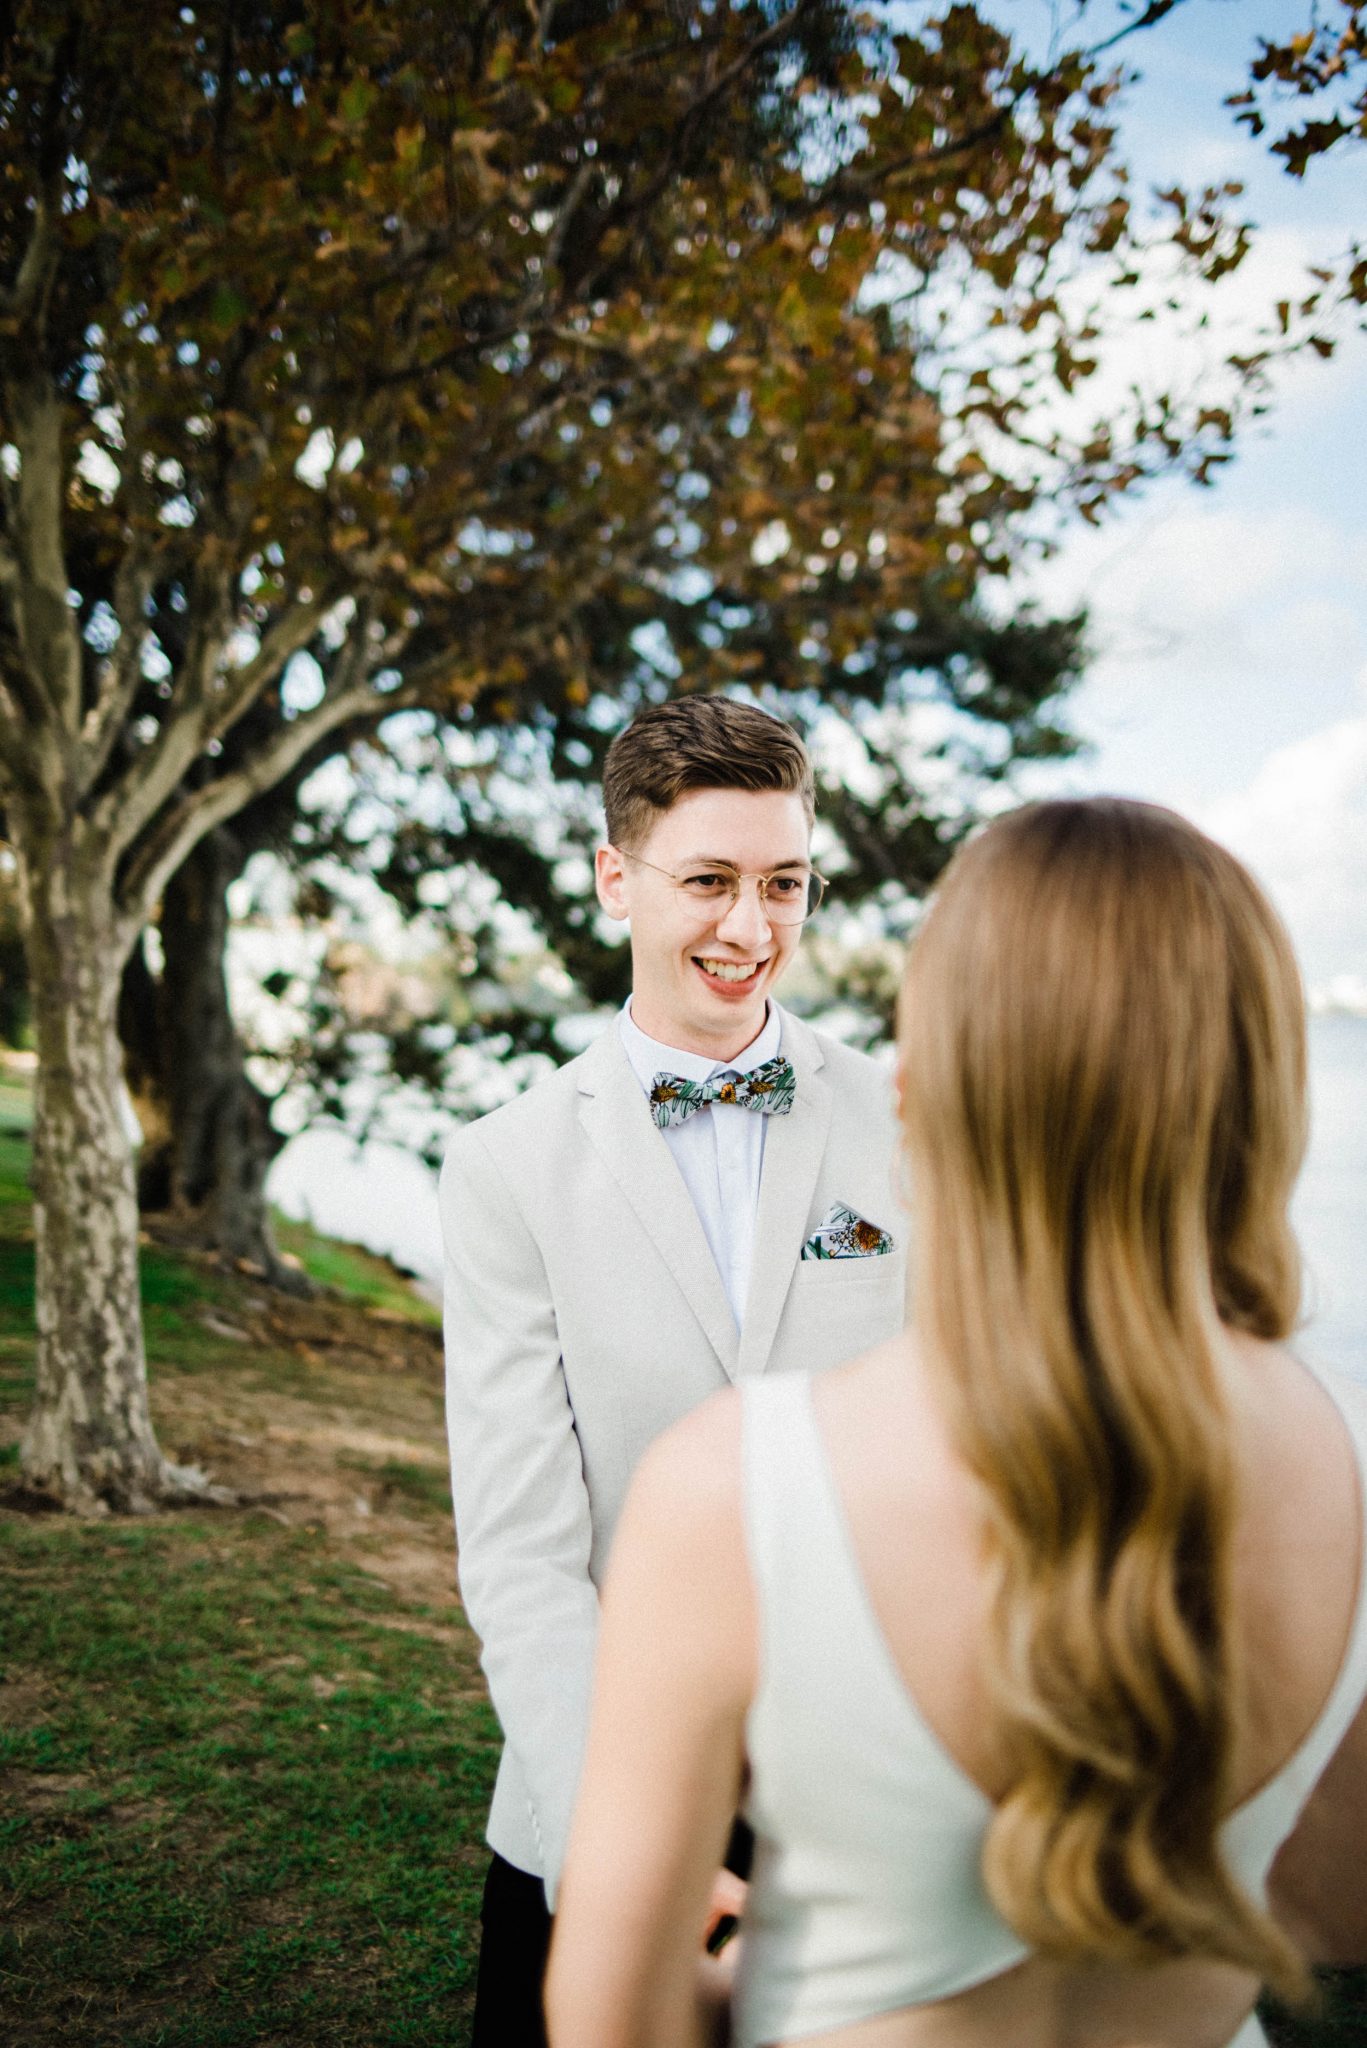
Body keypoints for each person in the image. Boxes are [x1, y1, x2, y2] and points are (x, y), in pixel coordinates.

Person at [545, 797, 1367, 2048]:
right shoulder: (1342, 1458)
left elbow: (613, 2028)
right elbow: (1332, 1906)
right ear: (1256, 1096)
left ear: (916, 1096)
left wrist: (762, 1973)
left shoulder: (736, 1487)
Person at [440, 695, 906, 2046]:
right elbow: (521, 1552)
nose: (749, 929)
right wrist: (623, 1838)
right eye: (706, 880)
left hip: (869, 1815)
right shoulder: (502, 1166)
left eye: (783, 883)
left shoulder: (912, 1125)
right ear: (613, 879)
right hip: (598, 1803)